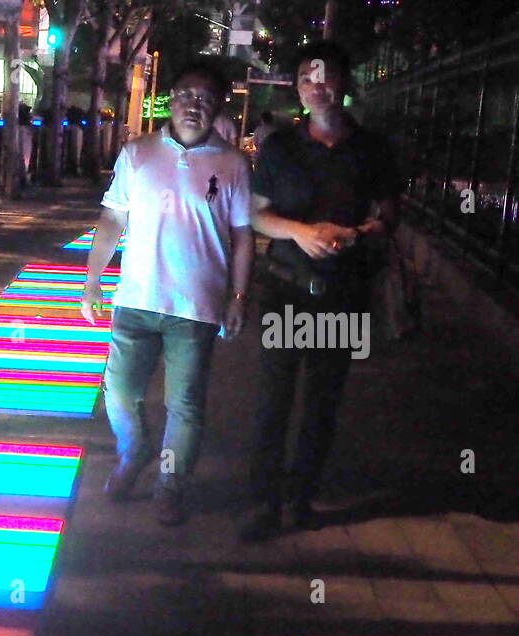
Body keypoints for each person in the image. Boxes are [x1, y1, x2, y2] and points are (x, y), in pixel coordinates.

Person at [240, 41, 404, 542]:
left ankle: (302, 497)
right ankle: (263, 505)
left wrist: (355, 234)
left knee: (323, 403)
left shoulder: (373, 149)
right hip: (286, 289)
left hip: (344, 291)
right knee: (273, 401)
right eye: (308, 78)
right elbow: (254, 212)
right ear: (296, 87)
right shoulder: (280, 147)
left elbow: (389, 214)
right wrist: (300, 232)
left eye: (327, 76)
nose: (318, 86)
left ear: (346, 84)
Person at [81, 59, 254, 526]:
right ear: (170, 100)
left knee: (185, 405)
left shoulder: (233, 163)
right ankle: (134, 451)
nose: (192, 105)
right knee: (118, 393)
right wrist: (93, 278)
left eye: (204, 98)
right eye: (184, 94)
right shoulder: (137, 153)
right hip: (135, 299)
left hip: (196, 307)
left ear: (217, 107)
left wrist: (238, 297)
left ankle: (170, 487)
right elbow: (112, 218)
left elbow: (242, 237)